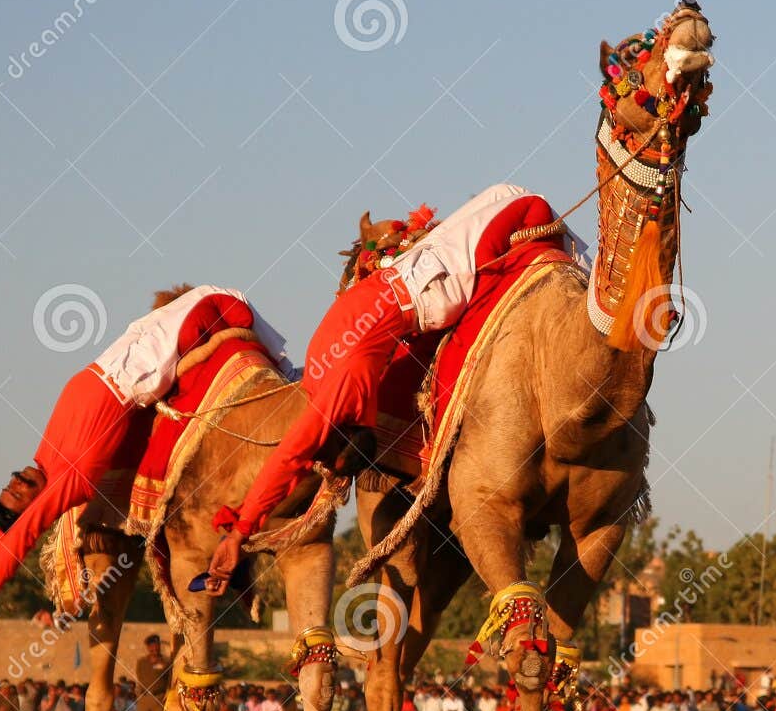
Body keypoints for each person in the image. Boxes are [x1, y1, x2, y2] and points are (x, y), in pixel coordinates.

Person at [202, 184, 577, 592]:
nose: (319, 460)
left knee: (513, 194)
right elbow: (295, 459)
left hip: (424, 280)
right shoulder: (339, 392)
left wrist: (241, 530)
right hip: (428, 285)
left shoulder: (328, 391)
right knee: (530, 207)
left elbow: (293, 460)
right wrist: (241, 529)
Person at [0, 285, 285, 645]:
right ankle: (285, 379)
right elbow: (19, 536)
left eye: (12, 481)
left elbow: (3, 528)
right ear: (35, 506)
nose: (16, 481)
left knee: (219, 303)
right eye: (20, 492)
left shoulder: (44, 459)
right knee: (230, 306)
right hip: (145, 364)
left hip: (129, 343)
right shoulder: (68, 482)